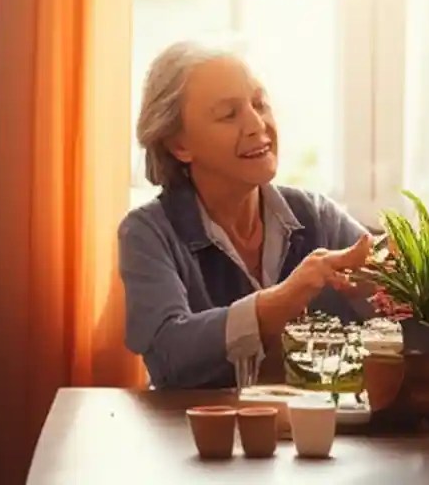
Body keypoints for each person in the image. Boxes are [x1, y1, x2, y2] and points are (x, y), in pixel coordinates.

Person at [119, 41, 373, 389]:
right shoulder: (148, 233)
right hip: (197, 439)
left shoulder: (318, 217)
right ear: (179, 145)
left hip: (315, 437)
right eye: (228, 114)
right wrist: (284, 298)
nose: (257, 126)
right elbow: (169, 356)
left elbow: (410, 307)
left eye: (259, 104)